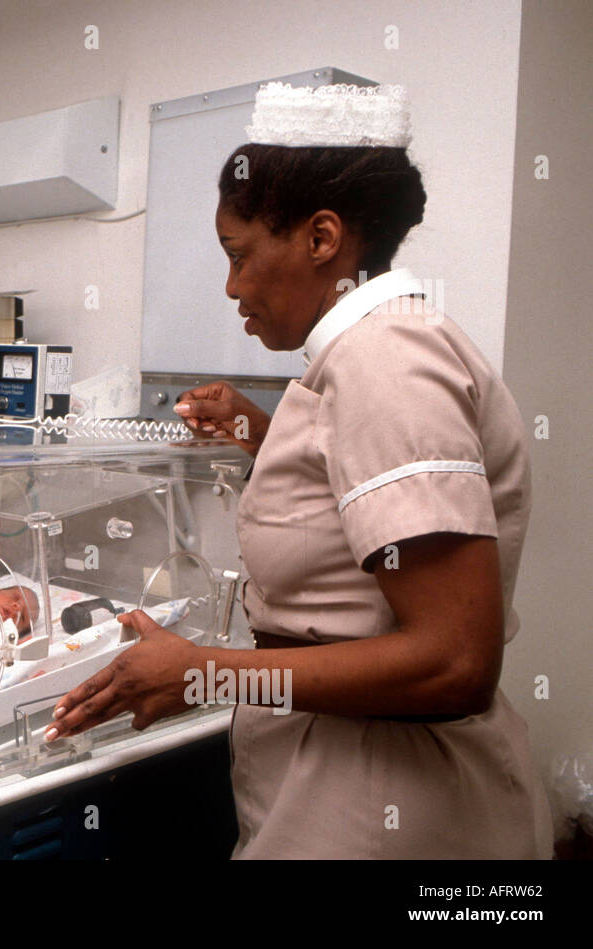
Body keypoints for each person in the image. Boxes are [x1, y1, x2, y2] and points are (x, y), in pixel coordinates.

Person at [46, 83, 552, 858]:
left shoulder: (388, 359)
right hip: (343, 783)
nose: (232, 287)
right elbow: (356, 492)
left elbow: (456, 660)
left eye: (240, 255)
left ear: (322, 239)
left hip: (394, 805)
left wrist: (207, 675)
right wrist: (262, 431)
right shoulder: (367, 357)